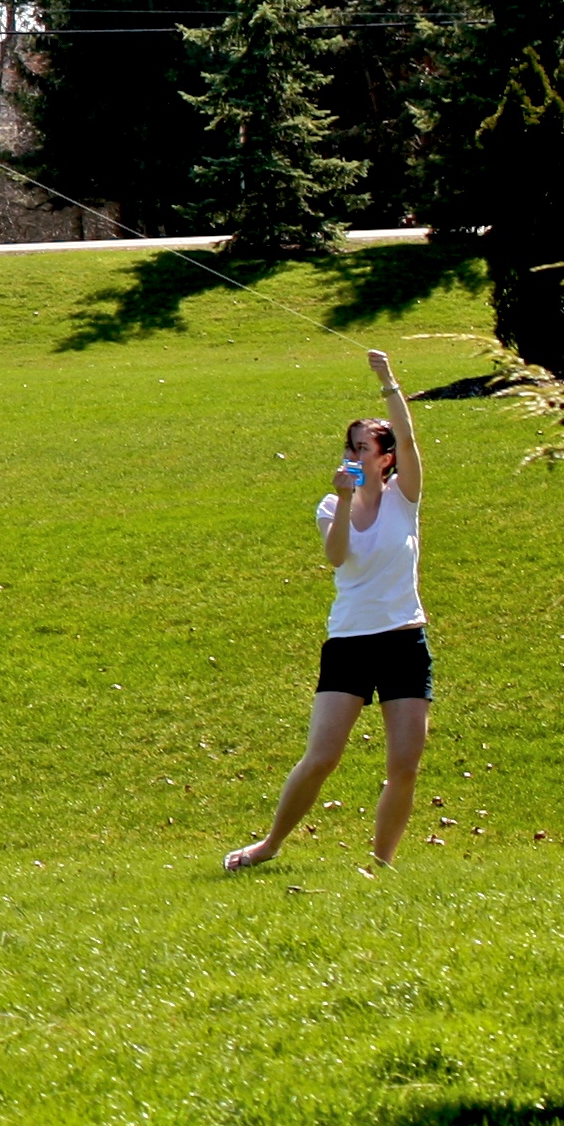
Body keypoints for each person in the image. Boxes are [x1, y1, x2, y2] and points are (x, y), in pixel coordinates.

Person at [226, 350, 429, 873]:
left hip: (404, 640)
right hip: (350, 643)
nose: (353, 453)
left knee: (404, 764)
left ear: (385, 459)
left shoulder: (404, 498)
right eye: (349, 445)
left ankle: (381, 864)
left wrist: (387, 380)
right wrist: (342, 501)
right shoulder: (329, 504)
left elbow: (409, 439)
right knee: (322, 757)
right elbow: (336, 556)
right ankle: (269, 844)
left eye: (364, 447)